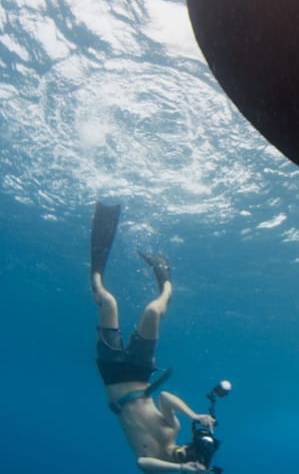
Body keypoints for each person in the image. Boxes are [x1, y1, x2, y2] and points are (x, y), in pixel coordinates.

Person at [89, 202, 214, 473]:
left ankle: (96, 275)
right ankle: (166, 280)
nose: (181, 454)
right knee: (152, 312)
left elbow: (141, 462)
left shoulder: (155, 464)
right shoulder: (173, 429)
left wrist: (180, 471)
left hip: (113, 375)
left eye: (182, 457)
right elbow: (166, 397)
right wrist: (195, 415)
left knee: (108, 301)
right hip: (140, 373)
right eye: (185, 454)